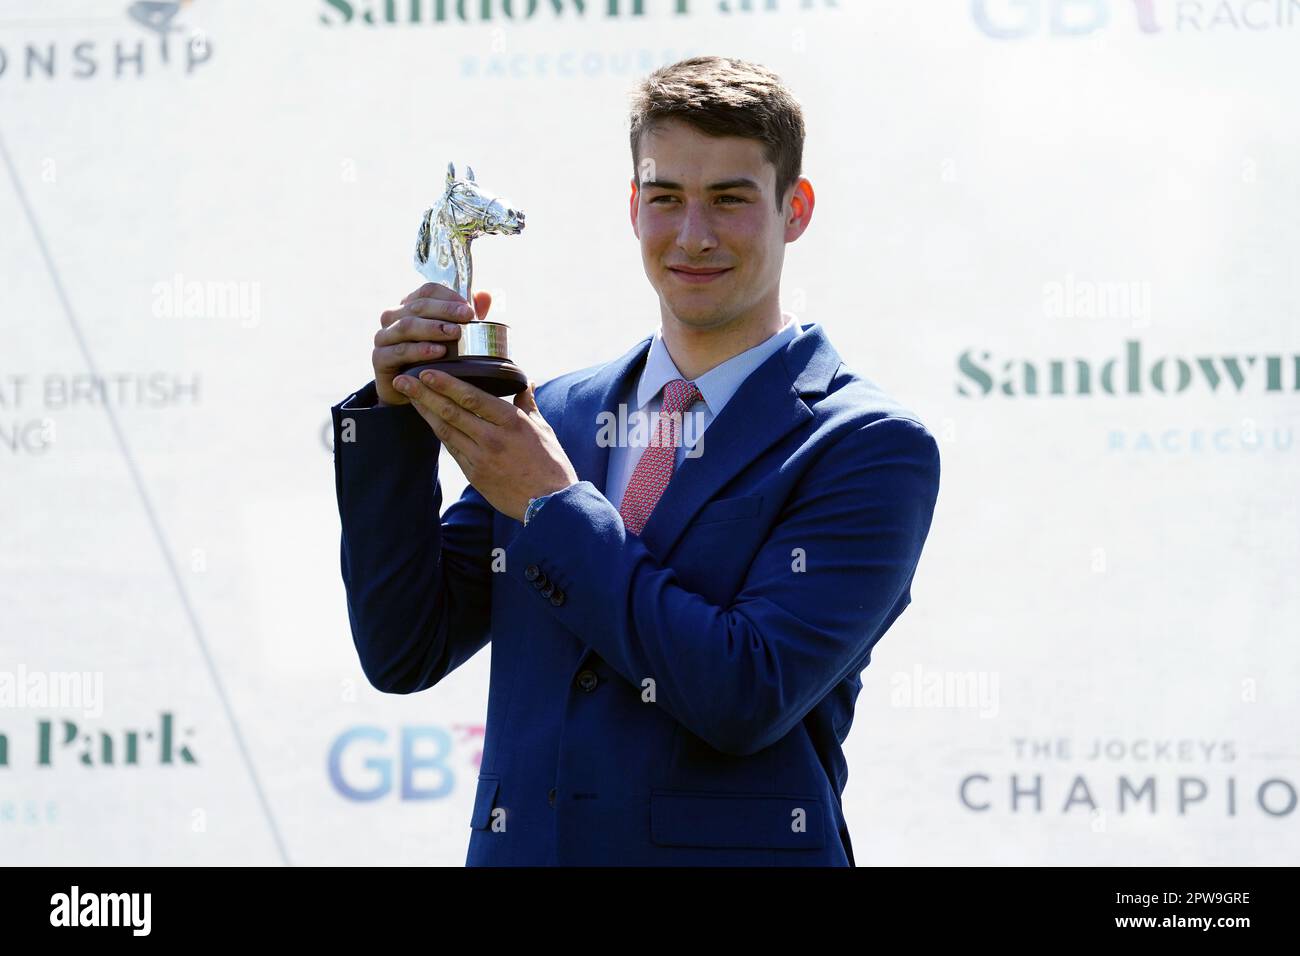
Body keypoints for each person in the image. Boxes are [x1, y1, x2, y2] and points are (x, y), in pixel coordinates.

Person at [329, 55, 940, 866]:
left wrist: (552, 506)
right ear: (633, 207)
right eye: (666, 199)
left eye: (729, 199)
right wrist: (402, 413)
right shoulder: (560, 415)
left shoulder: (866, 444)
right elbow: (404, 650)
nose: (694, 234)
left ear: (795, 210)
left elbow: (744, 694)